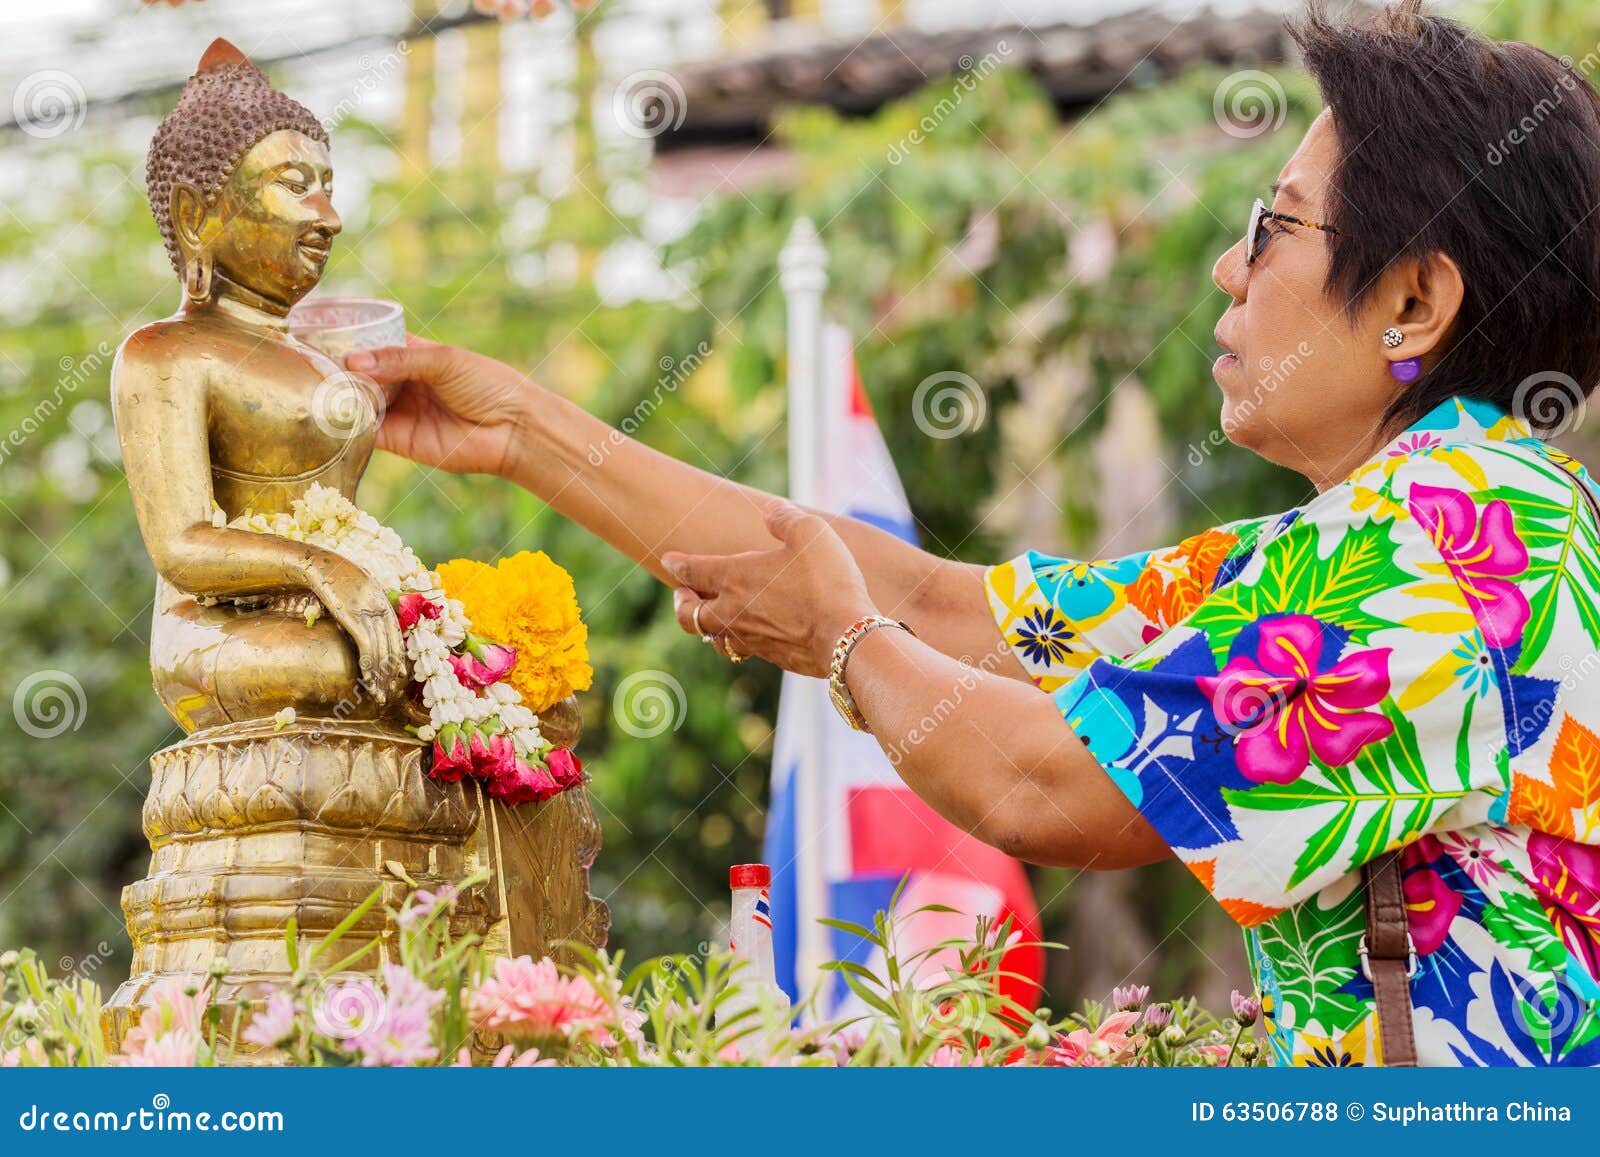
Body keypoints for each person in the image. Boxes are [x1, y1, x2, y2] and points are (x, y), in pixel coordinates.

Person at [348, 2, 1600, 1066]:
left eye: (1275, 227)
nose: (1228, 267)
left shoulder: (1458, 538)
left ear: (1413, 299)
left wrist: (844, 640)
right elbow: (941, 604)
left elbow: (1035, 777)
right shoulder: (1394, 528)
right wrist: (521, 429)